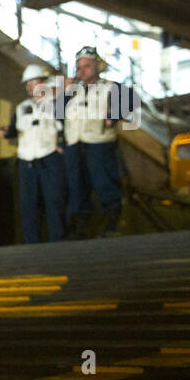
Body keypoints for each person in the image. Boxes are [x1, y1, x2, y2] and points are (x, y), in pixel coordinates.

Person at [59, 46, 134, 238]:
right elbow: (57, 114)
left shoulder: (110, 86)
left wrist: (113, 118)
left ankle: (112, 223)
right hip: (75, 143)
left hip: (99, 142)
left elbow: (130, 101)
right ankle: (81, 226)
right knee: (77, 185)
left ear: (97, 67)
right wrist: (65, 92)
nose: (81, 71)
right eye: (78, 67)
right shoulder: (71, 92)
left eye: (87, 66)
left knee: (104, 181)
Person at [3, 65, 66, 244]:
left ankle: (58, 242)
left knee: (54, 201)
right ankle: (31, 245)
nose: (30, 86)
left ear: (44, 82)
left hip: (50, 158)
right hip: (27, 161)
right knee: (28, 205)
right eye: (27, 83)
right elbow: (14, 130)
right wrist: (7, 132)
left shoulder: (56, 104)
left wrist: (62, 146)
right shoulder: (22, 108)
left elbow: (67, 129)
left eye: (34, 81)